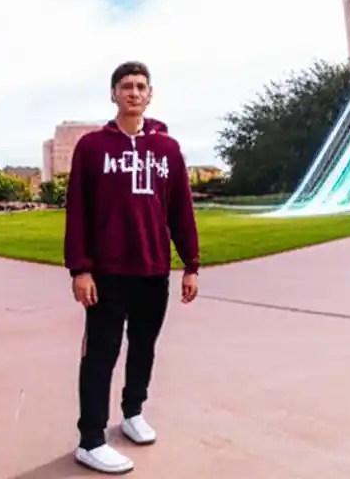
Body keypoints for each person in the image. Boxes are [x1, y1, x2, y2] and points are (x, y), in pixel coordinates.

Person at [63, 60, 201, 474]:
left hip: (153, 269)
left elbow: (181, 210)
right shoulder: (91, 148)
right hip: (107, 273)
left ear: (150, 94)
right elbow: (78, 213)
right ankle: (90, 439)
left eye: (141, 86)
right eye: (126, 86)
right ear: (113, 94)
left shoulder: (168, 149)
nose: (134, 92)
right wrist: (80, 269)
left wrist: (190, 264)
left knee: (144, 347)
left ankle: (133, 413)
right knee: (100, 355)